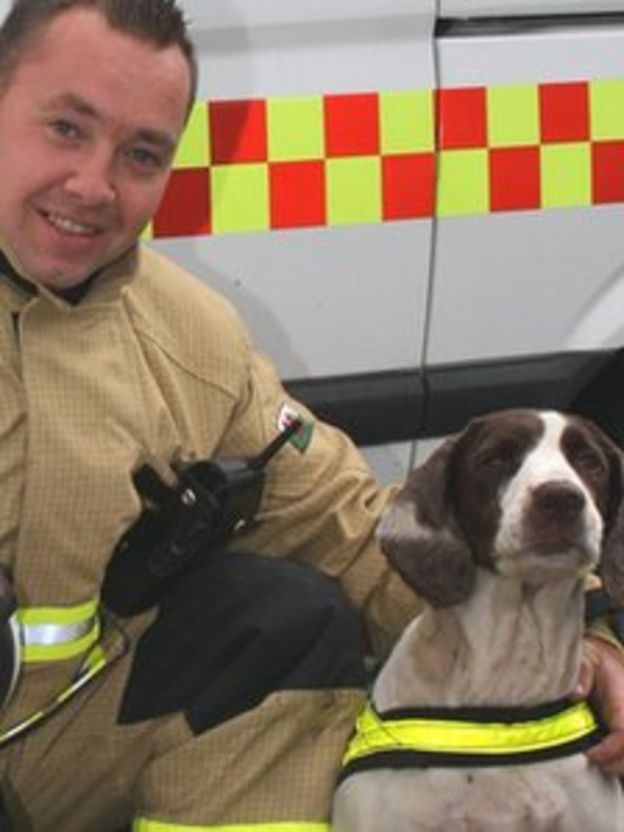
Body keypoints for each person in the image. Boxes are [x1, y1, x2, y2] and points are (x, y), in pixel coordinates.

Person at [0, 1, 623, 829]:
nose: (92, 185)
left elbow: (352, 529)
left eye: (141, 153)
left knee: (282, 618)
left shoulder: (191, 337)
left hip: (62, 747)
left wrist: (590, 632)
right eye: (66, 129)